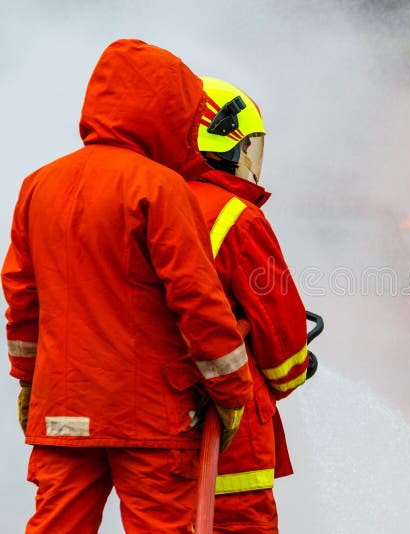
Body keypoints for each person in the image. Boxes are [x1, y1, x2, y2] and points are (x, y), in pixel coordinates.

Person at [2, 40, 254, 533]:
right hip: (150, 419)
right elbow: (197, 301)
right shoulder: (160, 188)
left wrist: (30, 383)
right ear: (168, 113)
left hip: (64, 414)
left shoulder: (38, 185)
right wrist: (231, 391)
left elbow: (22, 302)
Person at [188, 76, 309, 533]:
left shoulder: (150, 200)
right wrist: (293, 372)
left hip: (155, 436)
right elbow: (281, 331)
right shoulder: (238, 218)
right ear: (231, 144)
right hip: (230, 432)